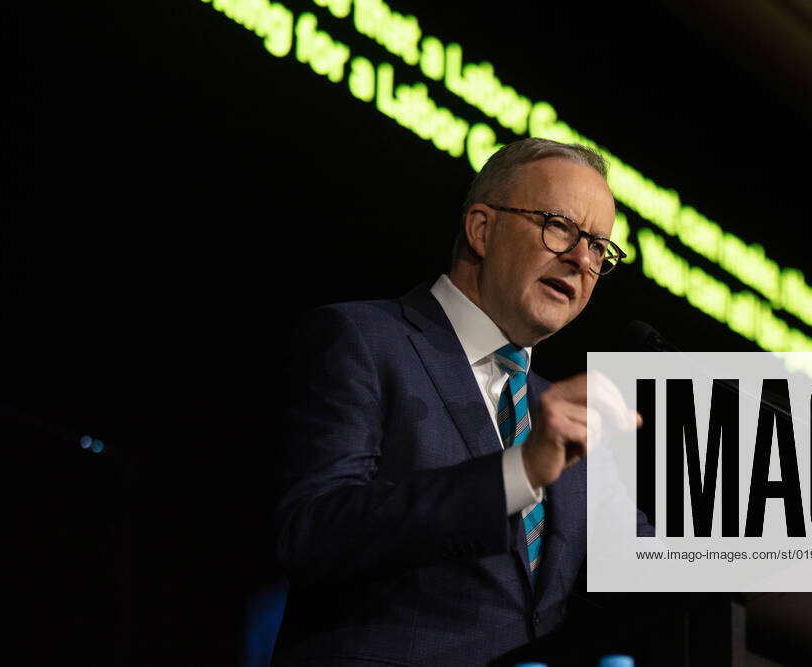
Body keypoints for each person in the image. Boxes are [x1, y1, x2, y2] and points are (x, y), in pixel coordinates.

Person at [272, 138, 651, 666]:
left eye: (598, 247)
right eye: (560, 226)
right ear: (482, 229)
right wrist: (519, 470)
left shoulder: (562, 414)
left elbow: (655, 558)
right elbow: (312, 534)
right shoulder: (364, 339)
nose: (581, 259)